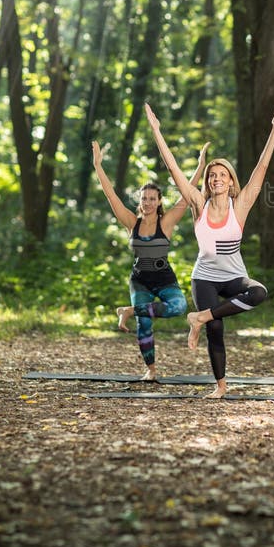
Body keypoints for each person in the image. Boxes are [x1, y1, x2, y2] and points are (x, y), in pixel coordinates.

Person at [145, 99, 274, 398]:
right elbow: (173, 168)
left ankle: (200, 317)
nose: (216, 178)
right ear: (208, 181)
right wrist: (156, 130)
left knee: (258, 292)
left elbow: (262, 167)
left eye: (223, 174)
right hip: (204, 277)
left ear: (231, 181)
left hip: (234, 276)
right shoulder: (198, 204)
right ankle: (220, 386)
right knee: (216, 330)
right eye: (212, 175)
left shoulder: (241, 205)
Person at [92, 140, 208, 380]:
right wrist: (98, 165)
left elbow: (186, 197)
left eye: (152, 199)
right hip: (140, 280)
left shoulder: (166, 223)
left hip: (164, 278)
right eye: (144, 198)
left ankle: (129, 310)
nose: (147, 202)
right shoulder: (130, 222)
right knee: (144, 325)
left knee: (179, 307)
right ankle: (151, 370)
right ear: (140, 201)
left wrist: (200, 165)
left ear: (159, 201)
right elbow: (111, 195)